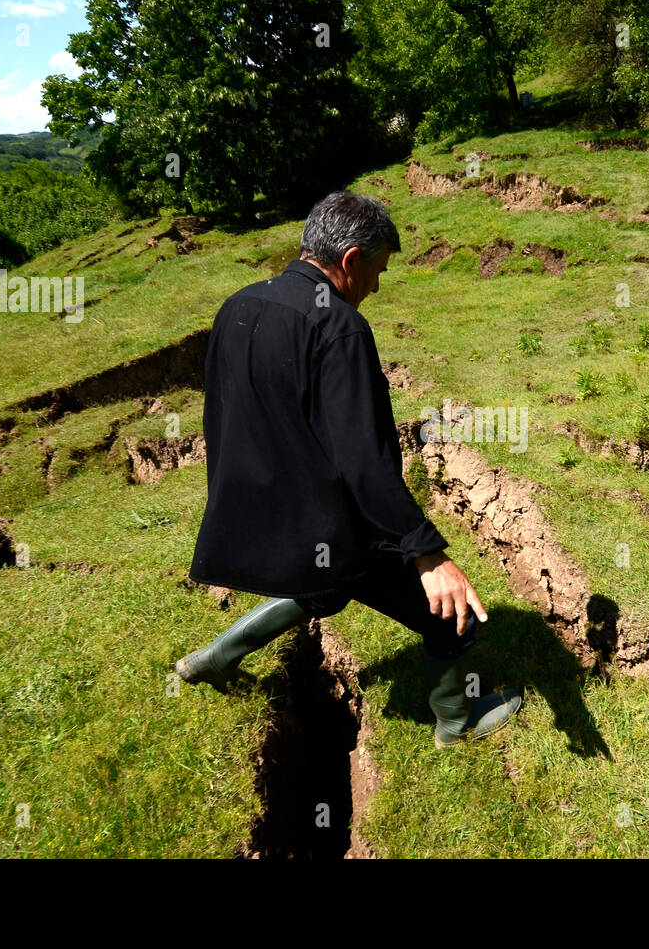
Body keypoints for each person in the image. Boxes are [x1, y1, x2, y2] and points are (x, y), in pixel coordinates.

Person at [177, 190, 523, 748]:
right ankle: (455, 722)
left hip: (269, 513)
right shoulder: (338, 328)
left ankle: (213, 660)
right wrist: (426, 552)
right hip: (333, 519)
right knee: (454, 612)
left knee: (325, 587)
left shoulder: (239, 305)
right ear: (352, 259)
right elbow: (364, 459)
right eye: (379, 271)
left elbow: (228, 414)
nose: (378, 287)